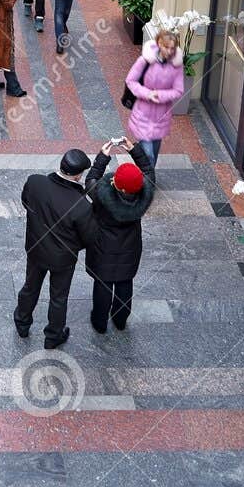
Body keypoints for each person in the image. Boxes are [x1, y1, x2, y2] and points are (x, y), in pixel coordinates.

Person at [14, 148, 96, 349]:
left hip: (35, 249)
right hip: (63, 259)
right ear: (78, 175)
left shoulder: (35, 182)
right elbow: (89, 238)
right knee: (58, 297)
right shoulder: (81, 205)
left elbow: (26, 202)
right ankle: (53, 336)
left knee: (30, 287)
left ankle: (22, 323)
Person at [84, 138, 157, 332]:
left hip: (103, 249)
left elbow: (90, 179)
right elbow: (149, 172)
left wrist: (102, 157)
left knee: (103, 286)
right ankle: (120, 320)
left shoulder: (101, 196)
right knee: (125, 284)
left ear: (118, 185)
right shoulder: (144, 196)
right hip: (130, 249)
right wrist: (134, 150)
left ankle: (99, 322)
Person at [124, 29, 185, 163]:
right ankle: (148, 182)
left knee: (153, 154)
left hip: (161, 116)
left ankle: (143, 175)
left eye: (172, 48)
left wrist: (160, 95)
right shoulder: (145, 61)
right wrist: (147, 94)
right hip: (143, 113)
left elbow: (178, 90)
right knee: (148, 155)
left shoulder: (177, 66)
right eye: (166, 47)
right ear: (159, 44)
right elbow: (130, 81)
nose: (169, 51)